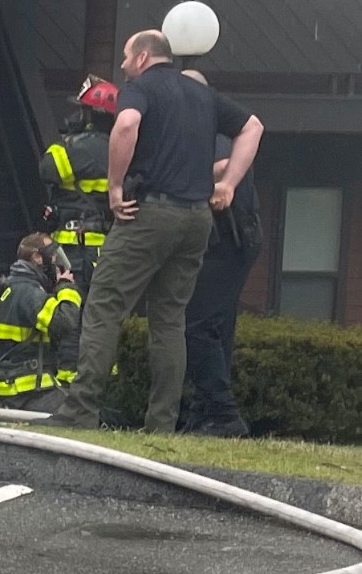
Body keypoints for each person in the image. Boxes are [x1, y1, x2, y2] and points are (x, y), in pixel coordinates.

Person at [49, 30, 263, 434]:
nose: (125, 66)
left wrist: (115, 188)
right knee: (169, 318)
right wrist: (229, 183)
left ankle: (79, 410)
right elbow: (252, 127)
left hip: (150, 213)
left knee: (105, 305)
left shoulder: (141, 89)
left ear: (144, 57)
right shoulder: (201, 95)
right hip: (197, 218)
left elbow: (127, 124)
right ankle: (161, 422)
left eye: (128, 58)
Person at [179, 70, 264, 437]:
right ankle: (206, 411)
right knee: (216, 324)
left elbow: (224, 164)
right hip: (231, 236)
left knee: (195, 323)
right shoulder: (216, 127)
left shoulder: (210, 129)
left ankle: (223, 412)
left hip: (227, 236)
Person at [0, 232, 83, 412]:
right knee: (84, 412)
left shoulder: (14, 285)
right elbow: (64, 323)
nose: (56, 262)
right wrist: (66, 287)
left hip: (12, 390)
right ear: (37, 257)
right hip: (25, 394)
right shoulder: (28, 292)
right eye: (53, 256)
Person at [40, 77, 117, 298]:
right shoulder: (124, 149)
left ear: (90, 114)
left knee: (69, 306)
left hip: (71, 248)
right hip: (109, 249)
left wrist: (70, 140)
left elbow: (47, 169)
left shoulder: (72, 149)